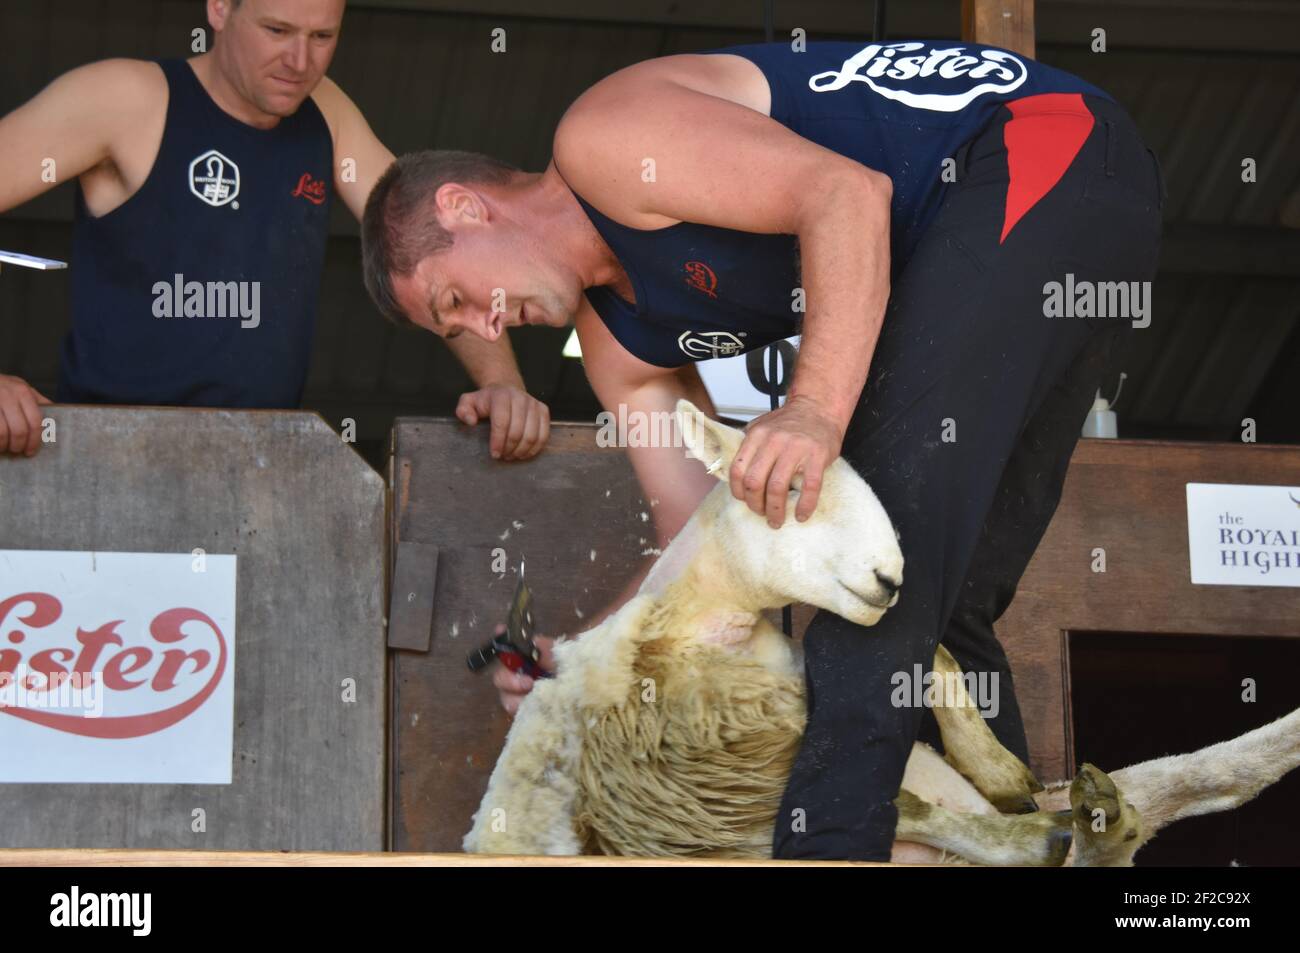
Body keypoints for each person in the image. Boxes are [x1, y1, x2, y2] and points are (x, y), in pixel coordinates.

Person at [360, 39, 1163, 860]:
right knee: (939, 601)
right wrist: (577, 661)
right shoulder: (618, 350)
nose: (488, 331)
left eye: (458, 299)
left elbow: (845, 194)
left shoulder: (602, 139)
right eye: (457, 331)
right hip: (1084, 219)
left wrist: (812, 409)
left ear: (464, 207)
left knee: (873, 587)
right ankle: (1013, 845)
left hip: (1037, 143)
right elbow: (689, 527)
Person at [0, 0, 548, 460]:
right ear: (219, 8)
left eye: (322, 36)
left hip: (261, 469)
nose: (299, 60)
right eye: (277, 30)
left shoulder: (326, 114)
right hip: (99, 456)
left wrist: (502, 384)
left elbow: (437, 248)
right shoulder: (124, 99)